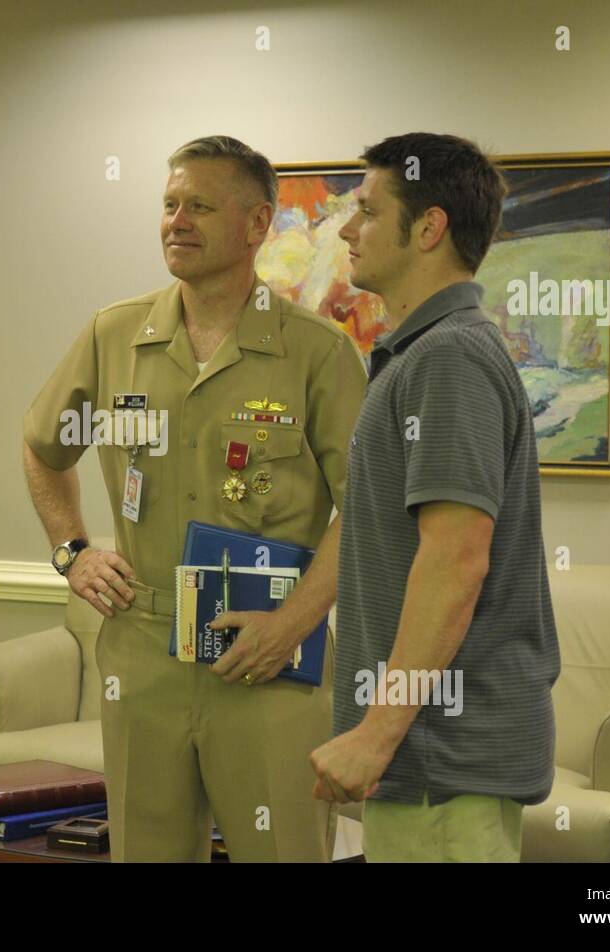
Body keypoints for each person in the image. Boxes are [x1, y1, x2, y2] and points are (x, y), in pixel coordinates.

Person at [23, 135, 366, 861]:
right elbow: (43, 448)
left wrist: (292, 624)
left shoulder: (318, 351)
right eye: (169, 204)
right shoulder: (115, 335)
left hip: (268, 653)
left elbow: (366, 511)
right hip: (144, 647)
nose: (176, 222)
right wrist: (72, 552)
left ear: (256, 223)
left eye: (200, 207)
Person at [310, 132, 560, 862]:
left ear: (428, 228)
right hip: (429, 762)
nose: (347, 230)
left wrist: (377, 733)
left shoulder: (448, 356)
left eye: (366, 211)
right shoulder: (425, 352)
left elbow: (456, 561)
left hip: (440, 761)